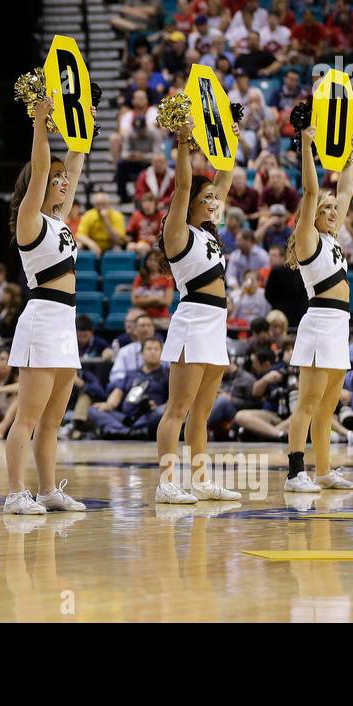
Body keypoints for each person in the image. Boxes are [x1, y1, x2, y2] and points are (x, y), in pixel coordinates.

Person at [1, 99, 88, 514]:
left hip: (64, 322)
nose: (63, 182)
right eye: (56, 179)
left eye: (64, 179)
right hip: (40, 319)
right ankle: (16, 492)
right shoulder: (29, 219)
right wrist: (40, 123)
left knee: (53, 420)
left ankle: (49, 489)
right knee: (28, 417)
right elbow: (42, 169)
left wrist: (82, 128)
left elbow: (73, 165)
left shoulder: (59, 221)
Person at [153, 120, 240, 504]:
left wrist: (229, 135)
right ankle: (166, 482)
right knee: (179, 408)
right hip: (191, 321)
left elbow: (226, 178)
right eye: (204, 199)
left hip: (215, 325)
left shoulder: (208, 232)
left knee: (202, 412)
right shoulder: (179, 232)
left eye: (213, 199)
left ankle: (201, 481)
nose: (211, 202)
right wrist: (185, 141)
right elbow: (185, 185)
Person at [282, 126, 353, 492]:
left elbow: (346, 189)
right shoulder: (308, 238)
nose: (332, 211)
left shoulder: (332, 238)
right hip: (318, 324)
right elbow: (313, 191)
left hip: (340, 326)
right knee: (309, 404)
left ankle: (325, 471)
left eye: (333, 209)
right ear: (310, 215)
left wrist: (349, 154)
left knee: (327, 408)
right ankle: (296, 471)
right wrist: (309, 146)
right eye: (325, 209)